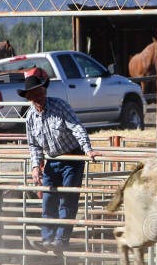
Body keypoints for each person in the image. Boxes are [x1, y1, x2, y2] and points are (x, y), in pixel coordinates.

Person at [20, 67, 102, 253]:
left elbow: (77, 127)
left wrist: (88, 150)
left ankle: (61, 240)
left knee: (67, 200)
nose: (38, 97)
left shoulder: (60, 106)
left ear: (45, 91)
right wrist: (35, 166)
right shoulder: (31, 117)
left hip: (72, 157)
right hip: (53, 160)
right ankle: (47, 239)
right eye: (34, 94)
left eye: (40, 92)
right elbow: (33, 145)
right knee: (48, 199)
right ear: (29, 98)